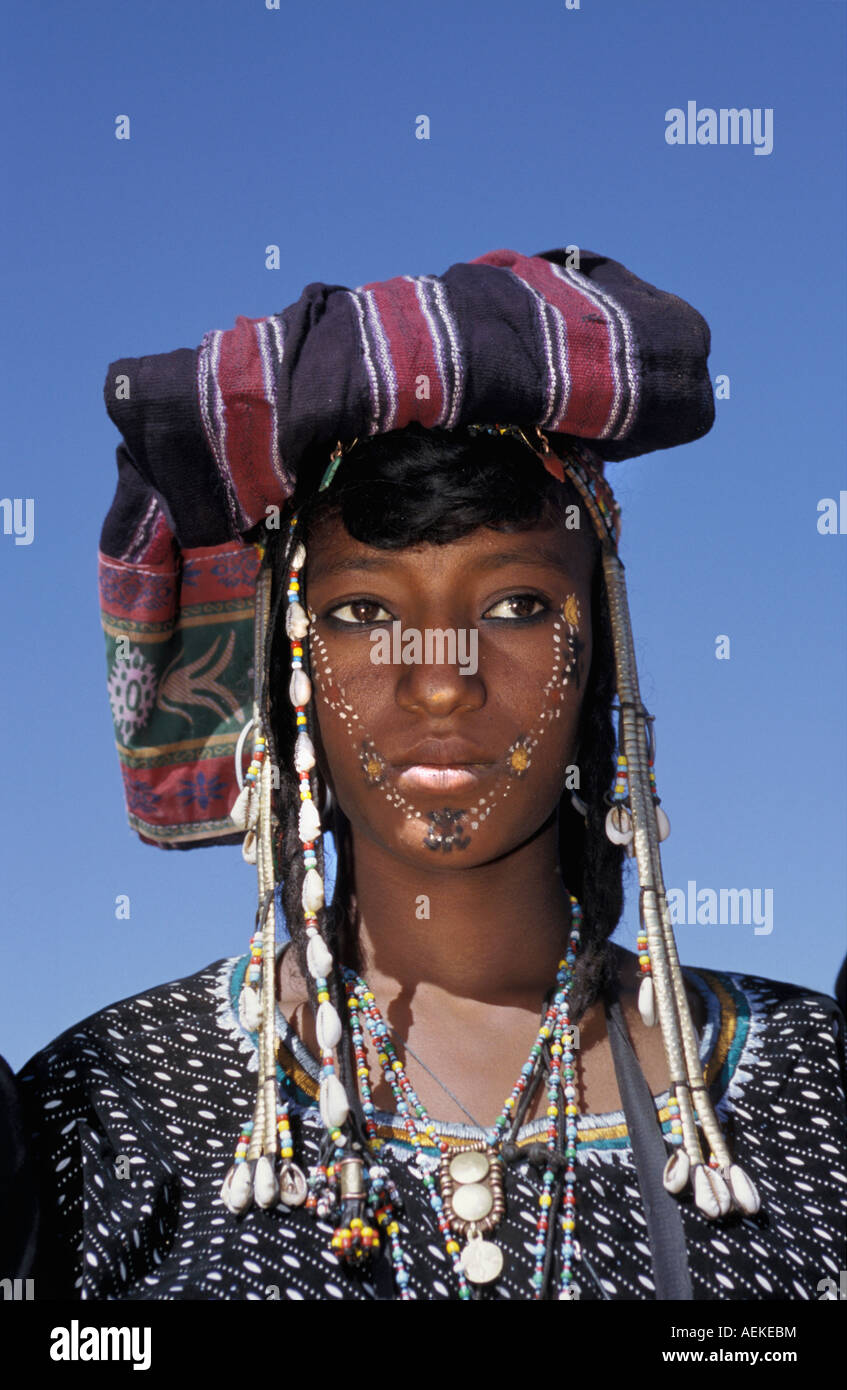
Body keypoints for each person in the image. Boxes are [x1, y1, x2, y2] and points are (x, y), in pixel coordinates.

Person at [11, 246, 846, 1301]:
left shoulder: (812, 1088)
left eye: (516, 607)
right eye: (363, 613)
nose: (440, 681)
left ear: (601, 653)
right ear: (287, 661)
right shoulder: (110, 1113)